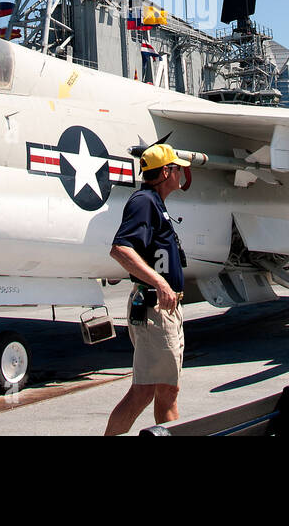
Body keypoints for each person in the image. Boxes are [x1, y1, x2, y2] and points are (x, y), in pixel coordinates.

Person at [104, 143, 189, 436]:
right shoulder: (144, 202)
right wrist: (160, 282)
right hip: (154, 308)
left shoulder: (155, 203)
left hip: (164, 308)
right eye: (177, 168)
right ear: (165, 171)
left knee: (166, 389)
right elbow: (121, 249)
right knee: (146, 391)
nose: (181, 173)